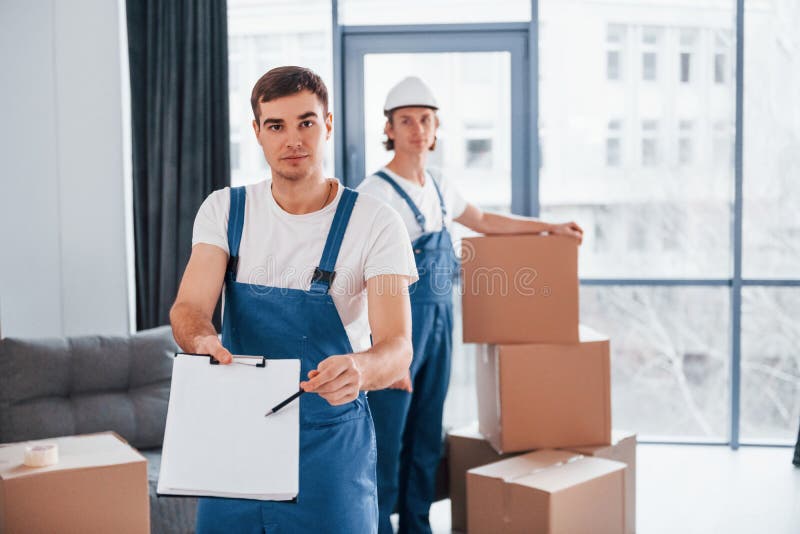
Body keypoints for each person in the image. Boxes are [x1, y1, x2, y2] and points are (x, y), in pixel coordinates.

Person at [170, 66, 418, 533]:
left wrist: (361, 370)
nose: (292, 140)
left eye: (306, 122)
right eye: (276, 126)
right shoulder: (225, 210)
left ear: (327, 124)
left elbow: (398, 346)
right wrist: (201, 339)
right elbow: (188, 310)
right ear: (258, 134)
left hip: (330, 448)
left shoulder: (376, 223)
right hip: (237, 441)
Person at [357, 76, 584, 534]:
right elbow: (361, 278)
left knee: (426, 438)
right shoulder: (374, 193)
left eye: (425, 120)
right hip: (397, 334)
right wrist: (385, 354)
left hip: (439, 326)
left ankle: (417, 525)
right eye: (406, 121)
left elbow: (482, 220)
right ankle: (377, 527)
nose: (417, 129)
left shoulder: (441, 185)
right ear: (390, 130)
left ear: (436, 128)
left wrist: (549, 228)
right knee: (387, 443)